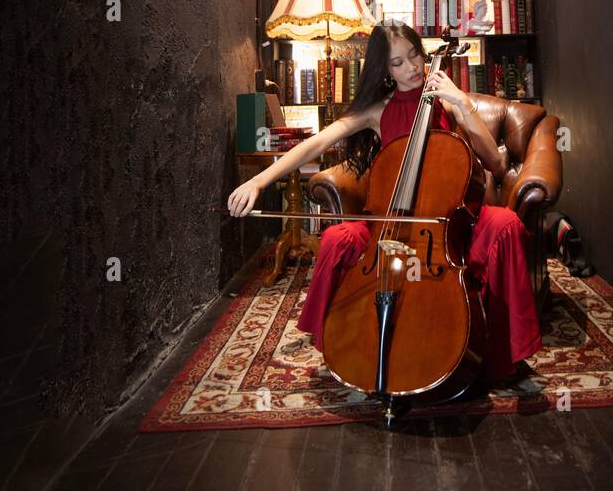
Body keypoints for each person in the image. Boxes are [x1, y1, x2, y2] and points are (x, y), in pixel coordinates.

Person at [227, 21, 542, 389]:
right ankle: (340, 346)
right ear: (384, 71)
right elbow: (314, 144)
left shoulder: (448, 97)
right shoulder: (377, 110)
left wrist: (461, 103)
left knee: (505, 225)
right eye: (397, 63)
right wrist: (258, 180)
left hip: (452, 220)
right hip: (393, 220)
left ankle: (504, 357)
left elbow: (496, 163)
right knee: (338, 239)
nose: (411, 68)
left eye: (414, 56)